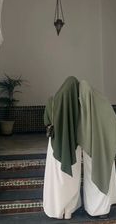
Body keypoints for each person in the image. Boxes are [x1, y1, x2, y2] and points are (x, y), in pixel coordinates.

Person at [43, 77, 116, 219]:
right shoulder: (99, 102)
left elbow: (48, 121)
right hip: (101, 146)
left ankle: (62, 210)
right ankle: (98, 209)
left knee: (62, 179)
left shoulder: (53, 101)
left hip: (58, 149)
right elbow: (110, 123)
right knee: (99, 173)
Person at [78, 80, 116, 217]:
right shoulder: (99, 102)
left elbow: (114, 124)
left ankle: (99, 209)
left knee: (98, 176)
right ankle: (95, 208)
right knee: (95, 177)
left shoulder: (99, 102)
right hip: (99, 150)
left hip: (101, 149)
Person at [43, 76, 82, 219]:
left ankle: (57, 209)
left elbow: (46, 121)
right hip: (73, 148)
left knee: (57, 178)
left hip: (55, 148)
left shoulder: (51, 102)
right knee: (71, 178)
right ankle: (69, 210)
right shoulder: (79, 105)